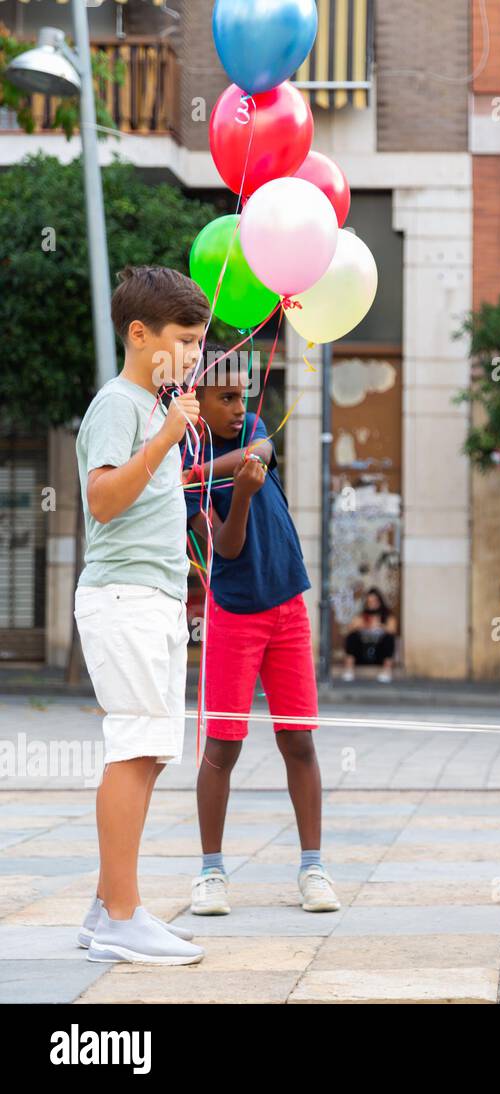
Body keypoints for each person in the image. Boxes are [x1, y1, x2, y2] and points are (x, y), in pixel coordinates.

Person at [73, 267, 208, 965]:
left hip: (149, 599)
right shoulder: (120, 405)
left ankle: (106, 909)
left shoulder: (153, 409)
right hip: (123, 599)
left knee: (148, 751)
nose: (192, 355)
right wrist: (164, 441)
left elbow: (147, 498)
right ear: (139, 334)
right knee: (133, 749)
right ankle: (122, 917)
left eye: (198, 341)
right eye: (184, 341)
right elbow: (101, 500)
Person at [183, 360, 339, 918]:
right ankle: (210, 872)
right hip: (235, 614)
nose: (238, 406)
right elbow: (223, 548)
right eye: (223, 398)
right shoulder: (184, 468)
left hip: (288, 605)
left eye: (242, 394)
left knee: (298, 740)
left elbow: (262, 451)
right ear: (195, 401)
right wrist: (238, 495)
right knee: (223, 745)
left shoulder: (250, 433)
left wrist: (204, 473)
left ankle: (313, 866)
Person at [342, 587, 398, 683]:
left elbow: (393, 630)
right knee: (352, 637)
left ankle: (387, 671)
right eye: (369, 601)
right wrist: (363, 625)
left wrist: (380, 625)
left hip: (379, 653)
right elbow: (350, 629)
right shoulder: (361, 615)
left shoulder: (387, 615)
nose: (372, 604)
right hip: (362, 651)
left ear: (380, 601)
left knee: (389, 638)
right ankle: (349, 669)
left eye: (374, 601)